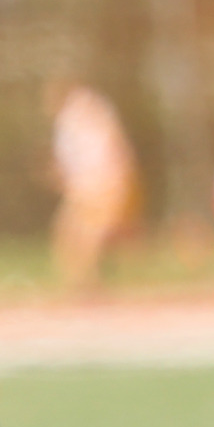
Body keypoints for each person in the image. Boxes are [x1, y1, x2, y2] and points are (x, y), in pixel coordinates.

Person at [46, 80, 140, 289]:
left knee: (84, 233)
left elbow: (107, 146)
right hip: (89, 183)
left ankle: (85, 282)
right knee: (76, 234)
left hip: (97, 182)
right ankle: (85, 281)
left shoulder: (80, 115)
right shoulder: (82, 115)